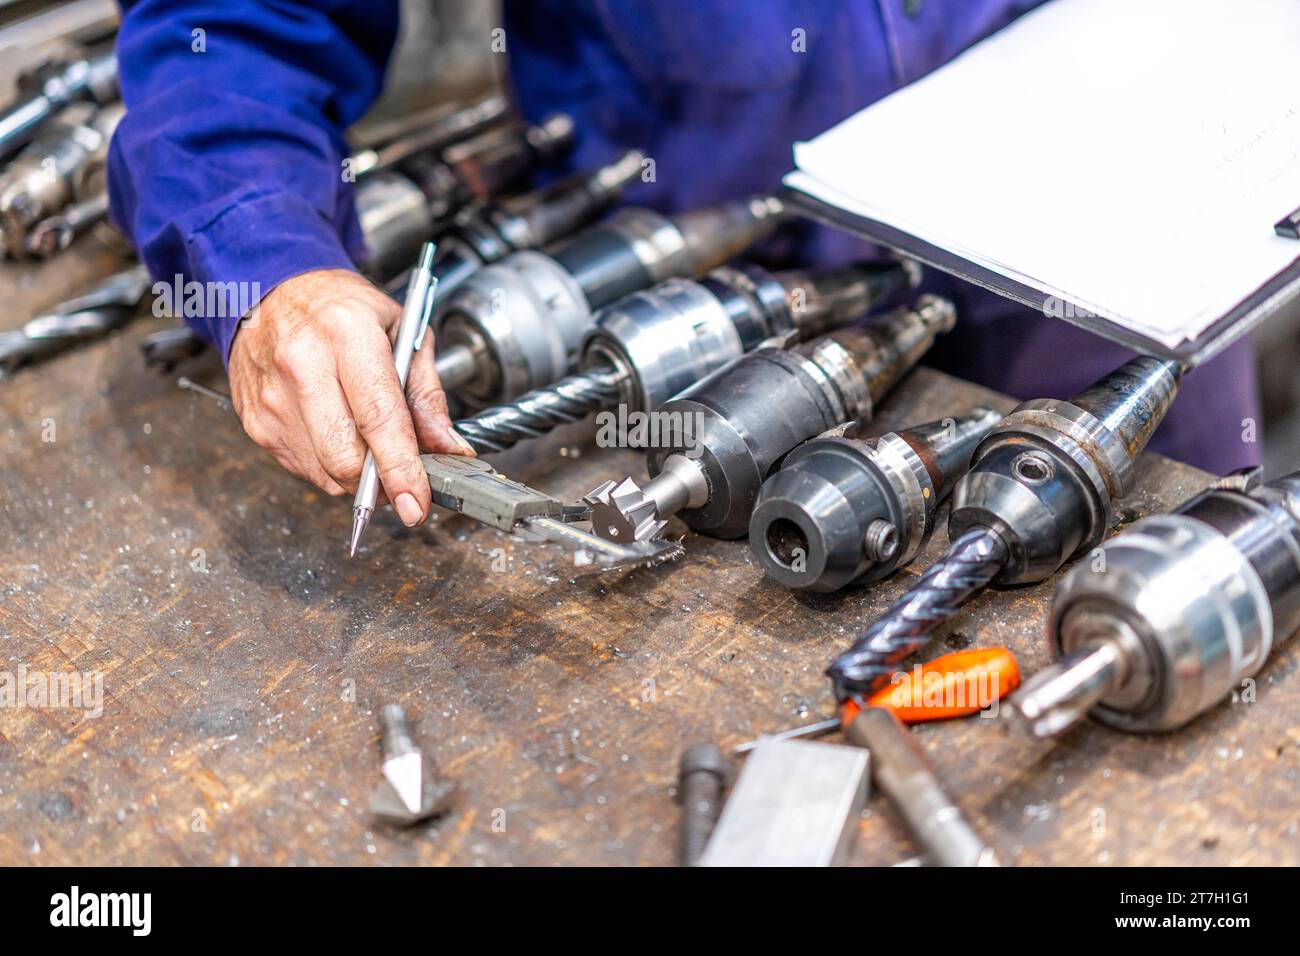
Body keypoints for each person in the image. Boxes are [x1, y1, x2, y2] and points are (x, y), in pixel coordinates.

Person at [107, 1, 1260, 531]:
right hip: (705, 313)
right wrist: (263, 261)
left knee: (1196, 580)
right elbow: (233, 19)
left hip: (1126, 256)